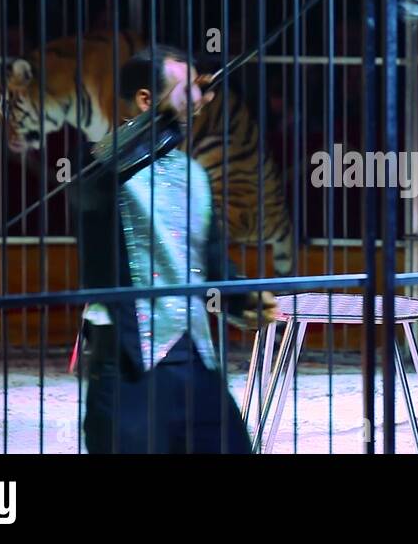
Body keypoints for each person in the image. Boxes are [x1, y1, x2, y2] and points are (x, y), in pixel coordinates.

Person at [70, 45, 277, 453]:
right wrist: (161, 122)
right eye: (187, 89)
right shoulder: (104, 167)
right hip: (129, 361)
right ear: (147, 100)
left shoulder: (193, 174)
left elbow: (210, 260)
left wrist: (244, 296)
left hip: (193, 356)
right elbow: (90, 186)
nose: (201, 99)